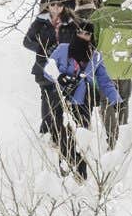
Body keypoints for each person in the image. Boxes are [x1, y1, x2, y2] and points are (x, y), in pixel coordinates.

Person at [46, 16, 120, 172]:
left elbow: (105, 81)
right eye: (80, 32)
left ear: (91, 37)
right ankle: (65, 170)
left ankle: (81, 172)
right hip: (62, 98)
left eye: (87, 34)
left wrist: (115, 99)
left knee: (82, 136)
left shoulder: (95, 56)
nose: (82, 36)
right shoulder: (63, 49)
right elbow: (47, 69)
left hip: (83, 101)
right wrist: (59, 77)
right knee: (64, 135)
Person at [88, 0, 132, 145]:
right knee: (123, 101)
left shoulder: (99, 14)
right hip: (126, 66)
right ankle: (122, 137)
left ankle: (112, 137)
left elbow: (91, 39)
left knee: (107, 102)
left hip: (105, 66)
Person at [22, 0, 73, 139]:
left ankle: (55, 130)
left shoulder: (69, 22)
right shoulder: (40, 22)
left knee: (58, 98)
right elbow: (27, 42)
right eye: (53, 5)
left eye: (59, 5)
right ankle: (47, 130)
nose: (56, 8)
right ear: (48, 6)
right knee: (48, 97)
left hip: (63, 68)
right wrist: (45, 49)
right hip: (43, 67)